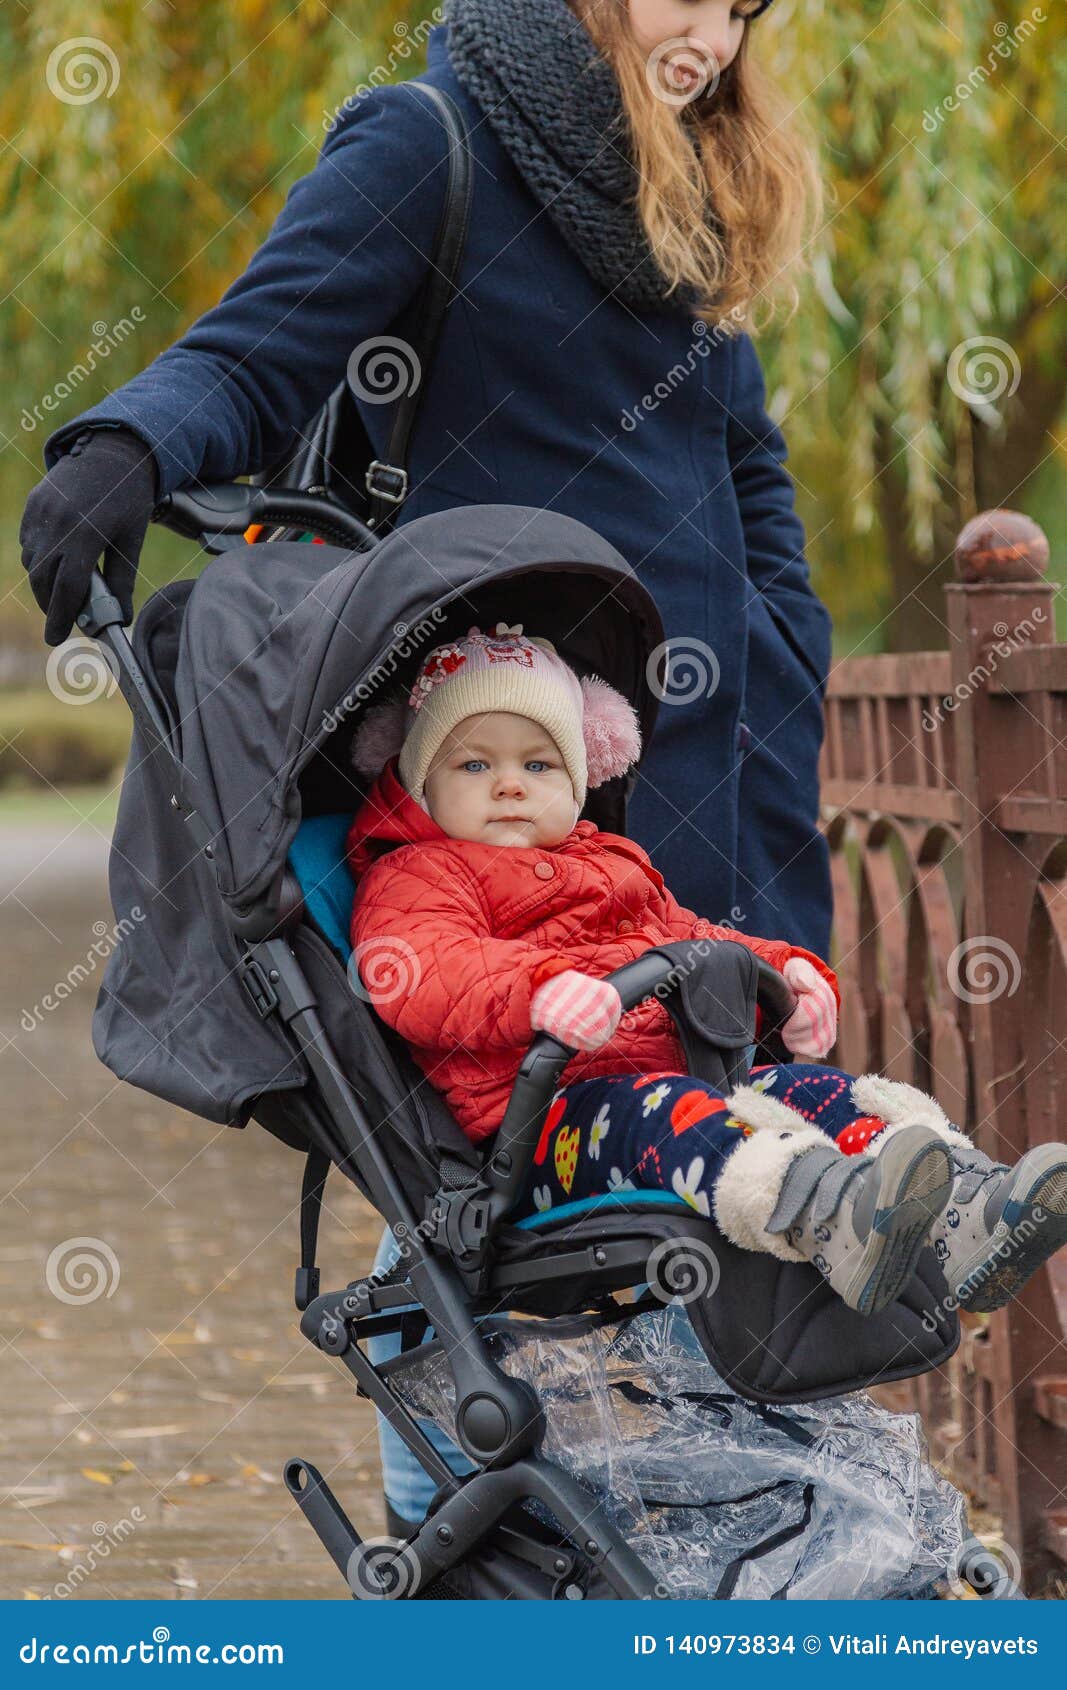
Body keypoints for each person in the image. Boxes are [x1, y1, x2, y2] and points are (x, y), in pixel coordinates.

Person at [20, 0, 831, 954]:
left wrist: (785, 640)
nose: (718, 39)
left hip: (740, 770)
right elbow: (253, 360)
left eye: (742, 12)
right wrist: (124, 450)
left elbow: (745, 459)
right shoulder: (427, 140)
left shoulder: (697, 196)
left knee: (774, 1081)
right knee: (572, 1088)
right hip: (520, 771)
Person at [348, 624, 1067, 1321]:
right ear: (419, 781)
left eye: (537, 766)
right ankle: (828, 1218)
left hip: (687, 1087)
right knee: (675, 1111)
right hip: (544, 1131)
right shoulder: (417, 873)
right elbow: (420, 970)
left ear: (577, 778)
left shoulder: (610, 863)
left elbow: (694, 937)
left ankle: (965, 1211)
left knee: (811, 1089)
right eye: (474, 765)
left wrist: (784, 978)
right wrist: (538, 989)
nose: (509, 786)